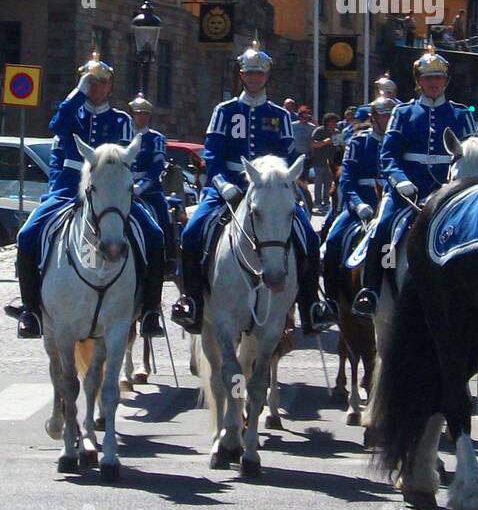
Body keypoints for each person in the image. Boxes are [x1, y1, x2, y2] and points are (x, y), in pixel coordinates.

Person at [171, 40, 336, 336]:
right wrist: (222, 185)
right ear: (241, 76)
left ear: (267, 77)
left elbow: (286, 156)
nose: (254, 78)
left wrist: (288, 184)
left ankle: (312, 306)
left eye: (259, 74)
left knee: (309, 239)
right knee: (193, 233)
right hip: (228, 188)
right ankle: (192, 302)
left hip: (269, 193)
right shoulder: (224, 110)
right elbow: (212, 154)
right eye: (249, 73)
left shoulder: (280, 115)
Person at [9, 52, 165, 340]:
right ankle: (30, 308)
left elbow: (120, 165)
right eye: (90, 83)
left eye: (101, 82)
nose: (96, 88)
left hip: (109, 196)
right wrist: (78, 93)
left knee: (154, 234)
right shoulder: (70, 115)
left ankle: (151, 309)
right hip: (68, 189)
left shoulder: (120, 120)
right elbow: (57, 125)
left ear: (110, 86)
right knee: (28, 234)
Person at [353, 46, 476, 317]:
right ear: (418, 82)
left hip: (449, 190)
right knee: (382, 227)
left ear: (446, 80)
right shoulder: (403, 113)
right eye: (428, 78)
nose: (433, 83)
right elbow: (388, 155)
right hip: (407, 191)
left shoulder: (461, 115)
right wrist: (399, 181)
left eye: (438, 78)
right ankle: (371, 291)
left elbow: (471, 154)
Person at [321, 96, 395, 306]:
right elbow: (346, 179)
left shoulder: (400, 143)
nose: (389, 119)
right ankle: (331, 301)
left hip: (392, 205)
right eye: (384, 115)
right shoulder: (359, 142)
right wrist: (358, 203)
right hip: (362, 206)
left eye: (392, 115)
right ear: (374, 118)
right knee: (333, 242)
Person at [128, 94, 178, 274]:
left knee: (163, 214)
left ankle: (168, 256)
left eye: (145, 114)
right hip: (123, 186)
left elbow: (157, 166)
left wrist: (141, 186)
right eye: (138, 113)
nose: (141, 117)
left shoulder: (156, 138)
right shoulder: (123, 136)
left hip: (149, 189)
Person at [310, 113, 339, 212]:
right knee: (318, 183)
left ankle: (326, 202)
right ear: (327, 122)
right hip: (319, 161)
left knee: (328, 183)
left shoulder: (337, 132)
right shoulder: (319, 131)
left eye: (335, 122)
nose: (334, 124)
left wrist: (339, 143)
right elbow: (313, 144)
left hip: (331, 163)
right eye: (332, 122)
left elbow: (340, 147)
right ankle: (318, 203)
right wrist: (324, 142)